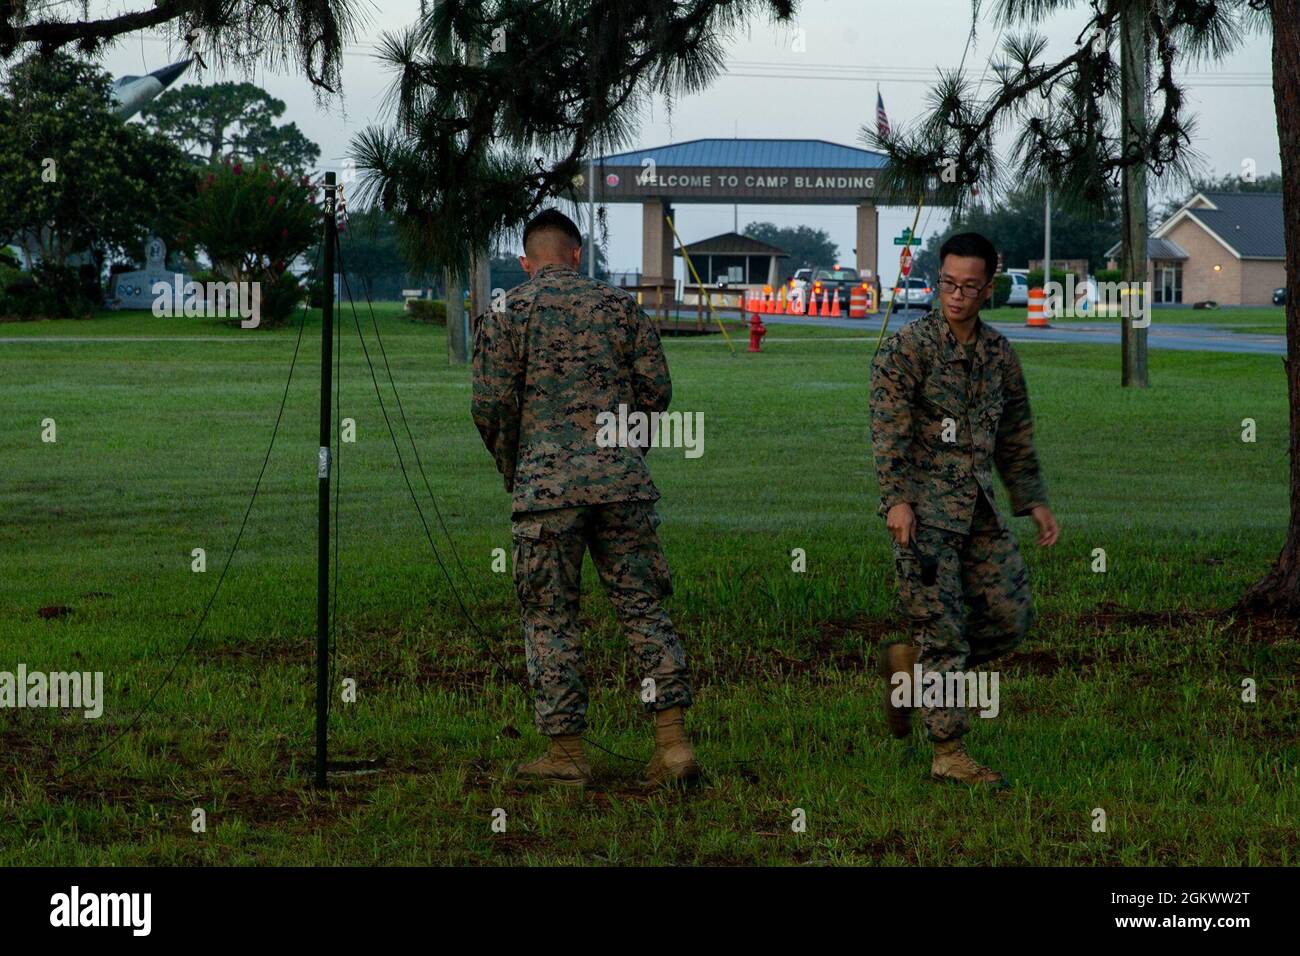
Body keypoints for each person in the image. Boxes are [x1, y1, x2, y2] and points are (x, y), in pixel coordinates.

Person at [471, 208, 699, 789]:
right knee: (644, 610)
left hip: (545, 492)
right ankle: (672, 744)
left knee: (550, 618)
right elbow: (657, 391)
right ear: (577, 254)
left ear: (526, 261)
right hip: (623, 485)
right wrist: (625, 449)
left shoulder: (506, 311)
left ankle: (567, 753)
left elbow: (490, 407)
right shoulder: (620, 307)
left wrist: (517, 468)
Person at [869, 232, 1059, 788]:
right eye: (947, 284)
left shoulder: (1000, 355)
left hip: (978, 513)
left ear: (988, 288)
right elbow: (888, 435)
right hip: (924, 518)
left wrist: (1034, 501)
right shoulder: (907, 349)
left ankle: (912, 670)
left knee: (1009, 616)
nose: (955, 295)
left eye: (969, 287)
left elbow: (1015, 436)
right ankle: (948, 752)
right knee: (945, 632)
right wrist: (897, 501)